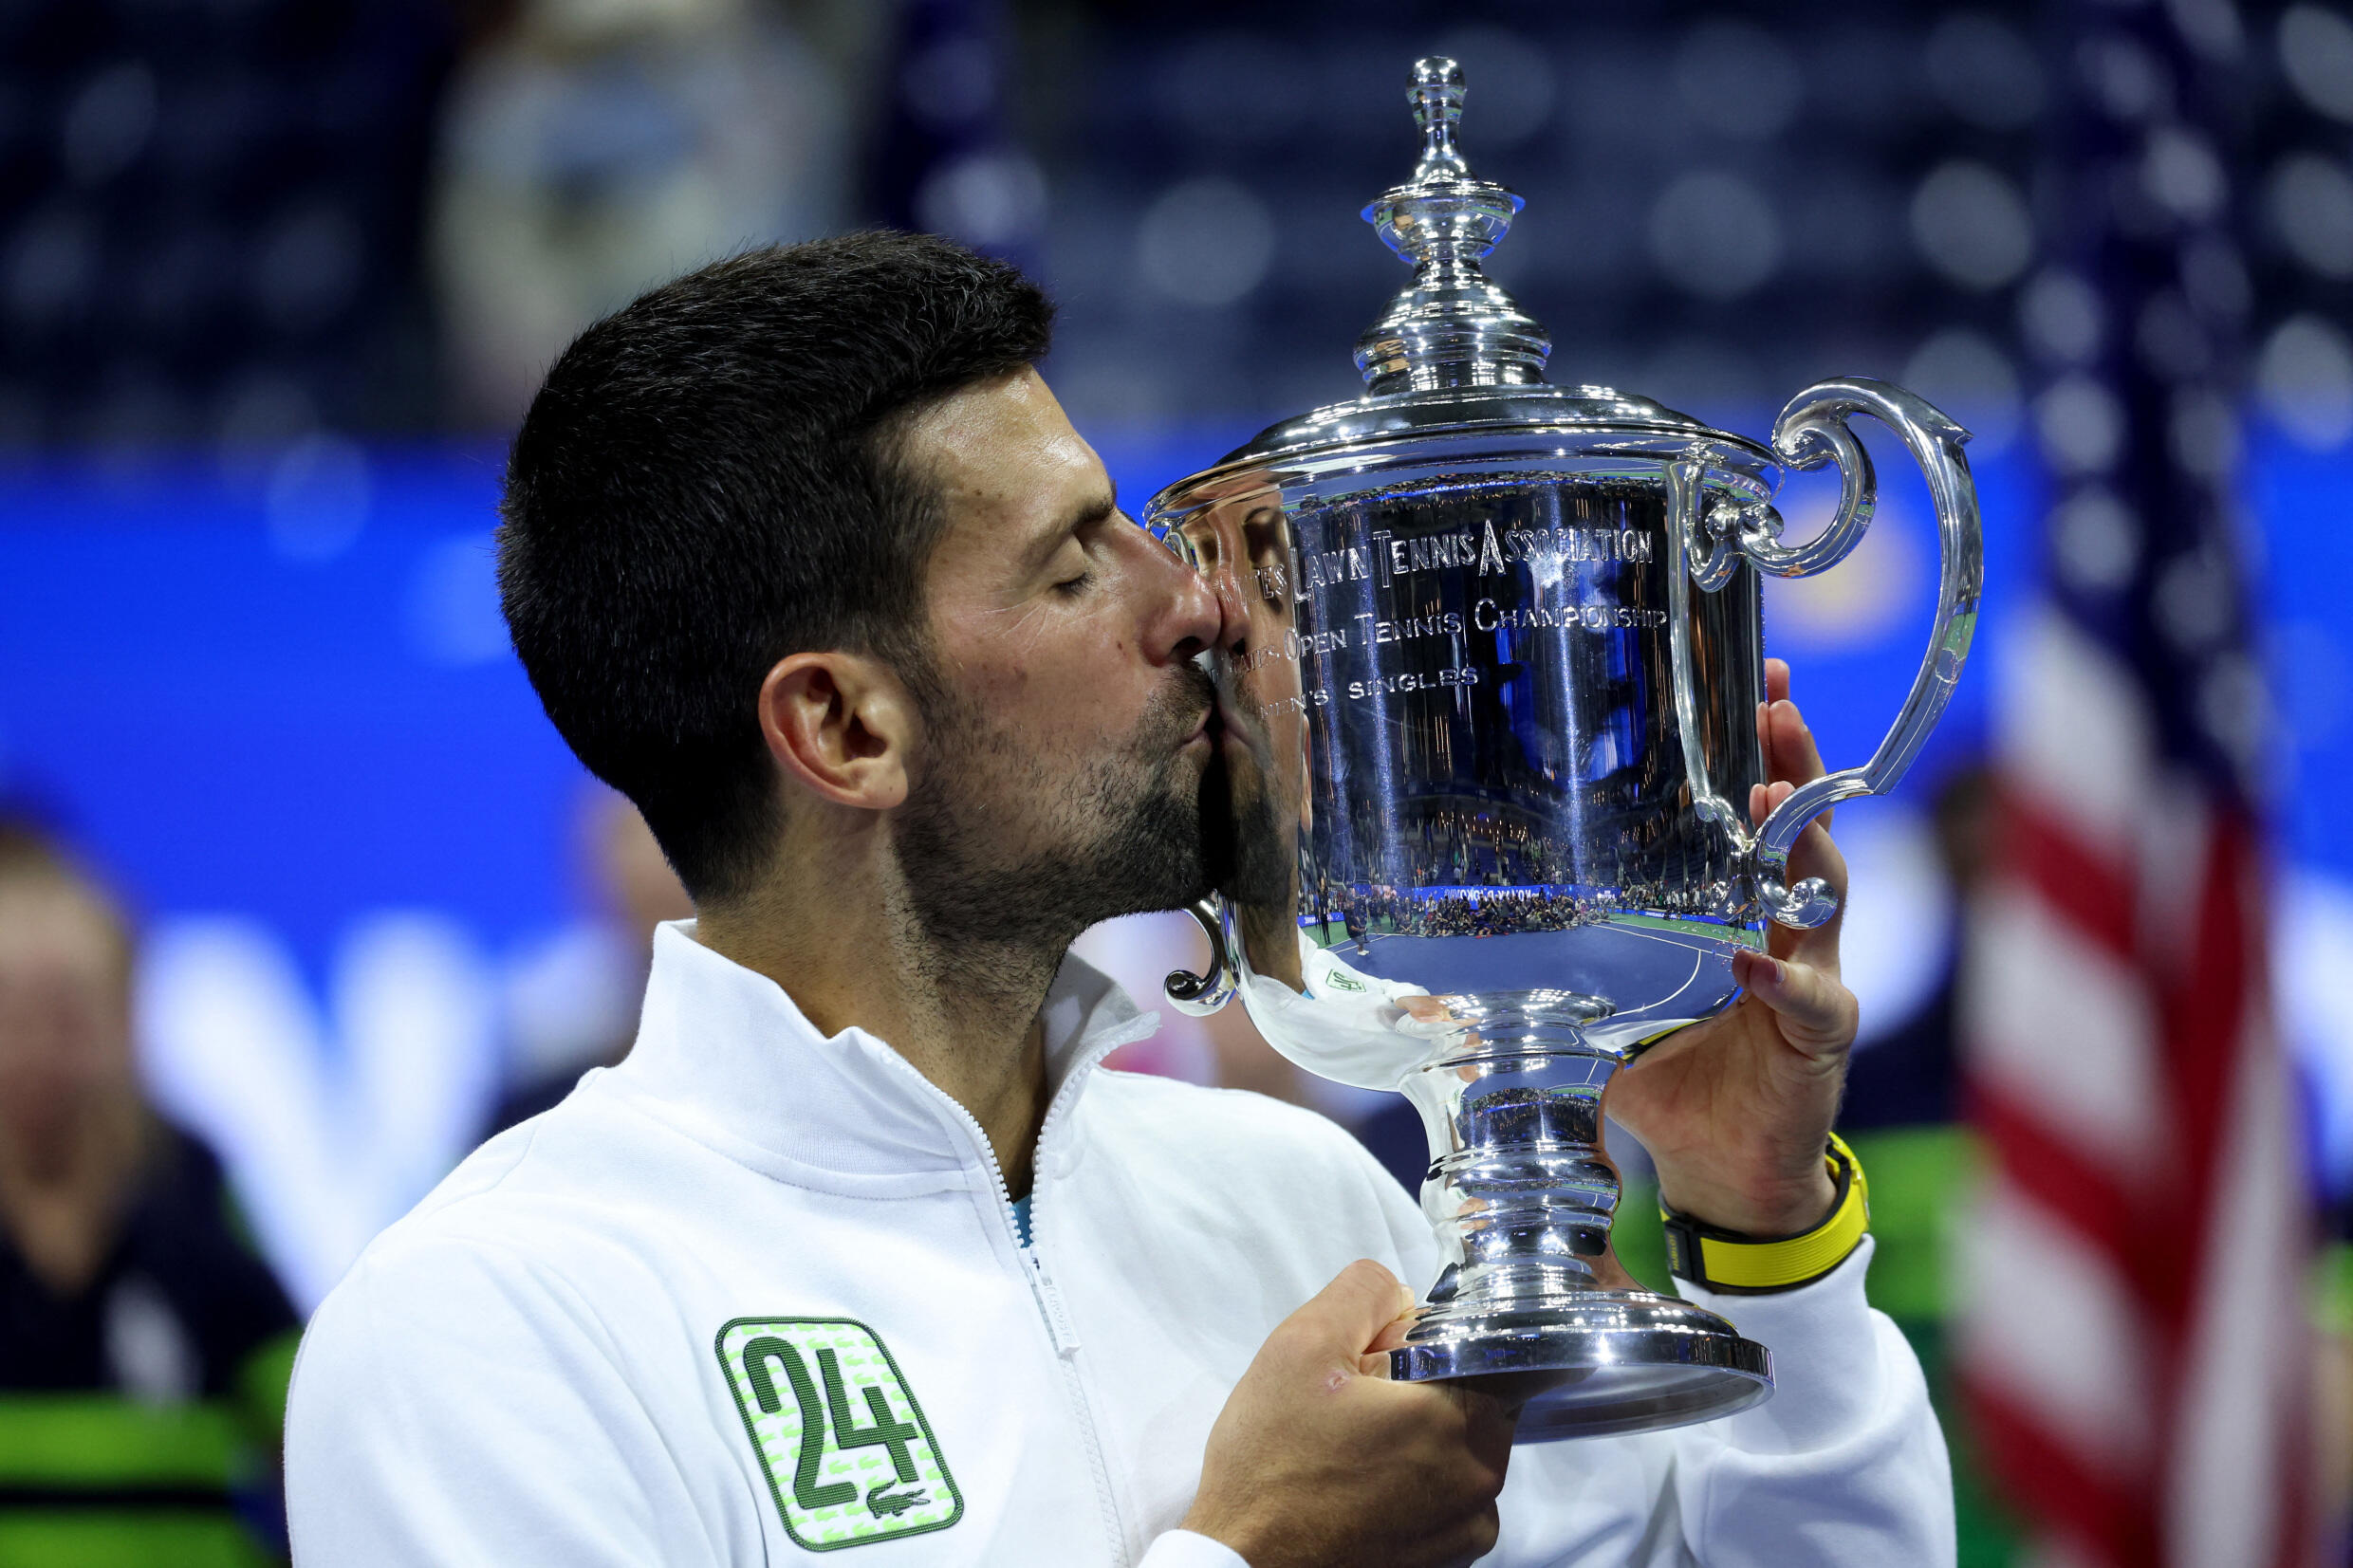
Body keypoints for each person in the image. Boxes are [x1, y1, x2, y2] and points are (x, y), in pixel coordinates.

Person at [287, 233, 1951, 1566]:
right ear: (844, 727)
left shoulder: (1309, 1205)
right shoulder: (494, 1325)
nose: (1201, 605)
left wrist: (1760, 1220)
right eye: (1081, 559)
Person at [0, 822, 303, 1566]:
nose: (41, 1050)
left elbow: (308, 1430)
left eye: (68, 1013)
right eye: (11, 1015)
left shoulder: (195, 1190)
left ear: (128, 1018)